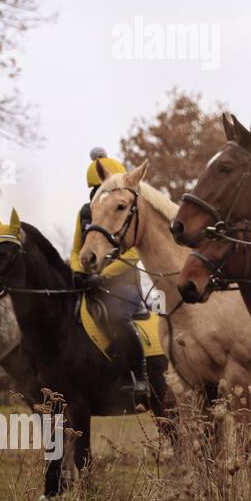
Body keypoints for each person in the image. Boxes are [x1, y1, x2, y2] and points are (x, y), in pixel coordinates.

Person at [70, 150, 169, 401]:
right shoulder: (86, 212)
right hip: (88, 279)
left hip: (123, 281)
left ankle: (140, 378)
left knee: (116, 315)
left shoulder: (129, 210)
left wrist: (102, 276)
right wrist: (77, 271)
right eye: (98, 190)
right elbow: (76, 248)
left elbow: (134, 252)